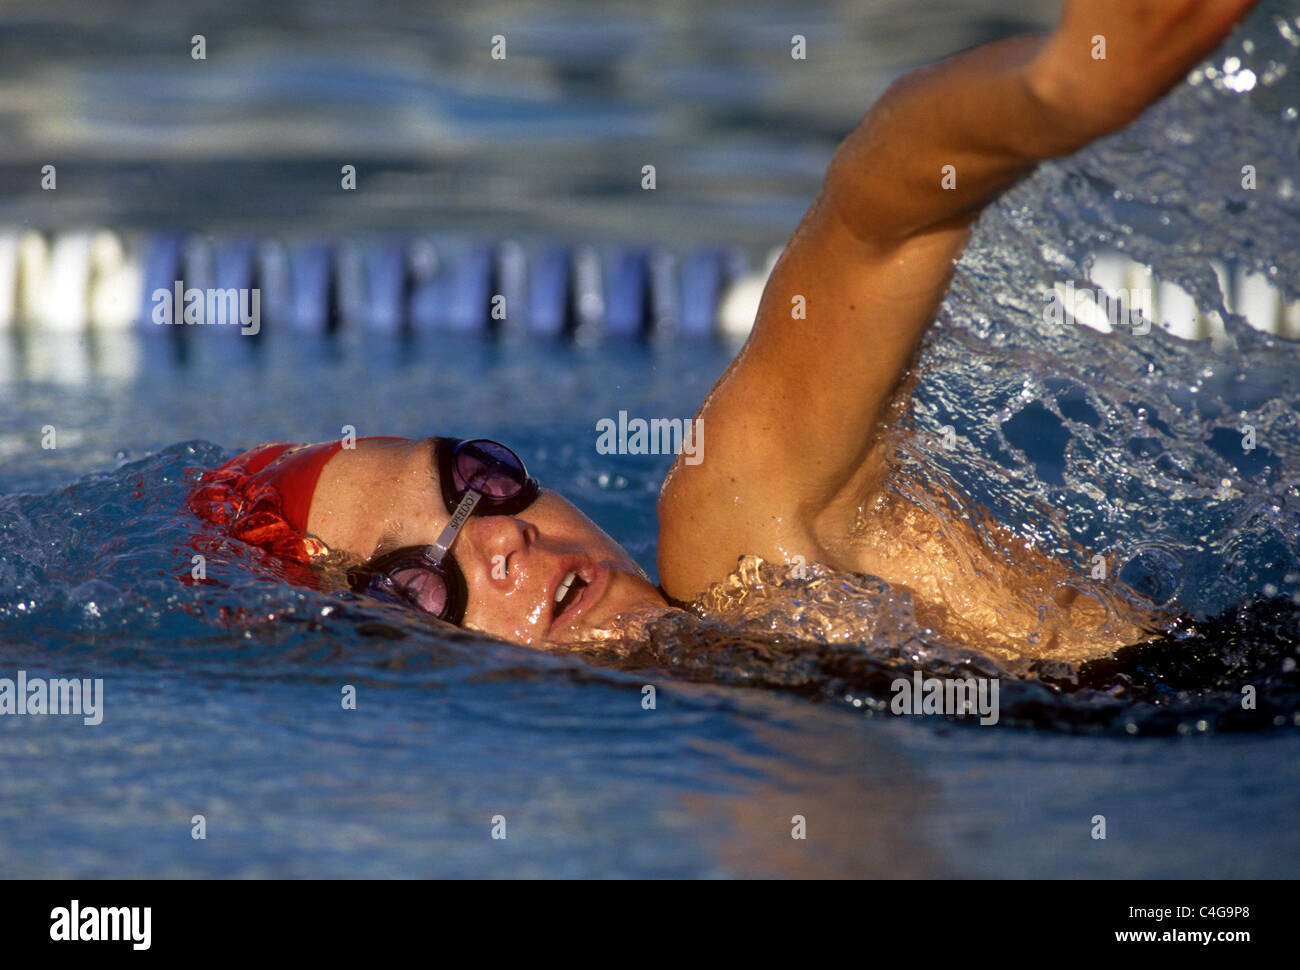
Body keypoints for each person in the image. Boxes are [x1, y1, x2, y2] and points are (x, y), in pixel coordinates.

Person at [188, 0, 1262, 657]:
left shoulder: (741, 537)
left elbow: (876, 215)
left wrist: (1057, 90)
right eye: (416, 583)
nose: (501, 537)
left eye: (481, 476)